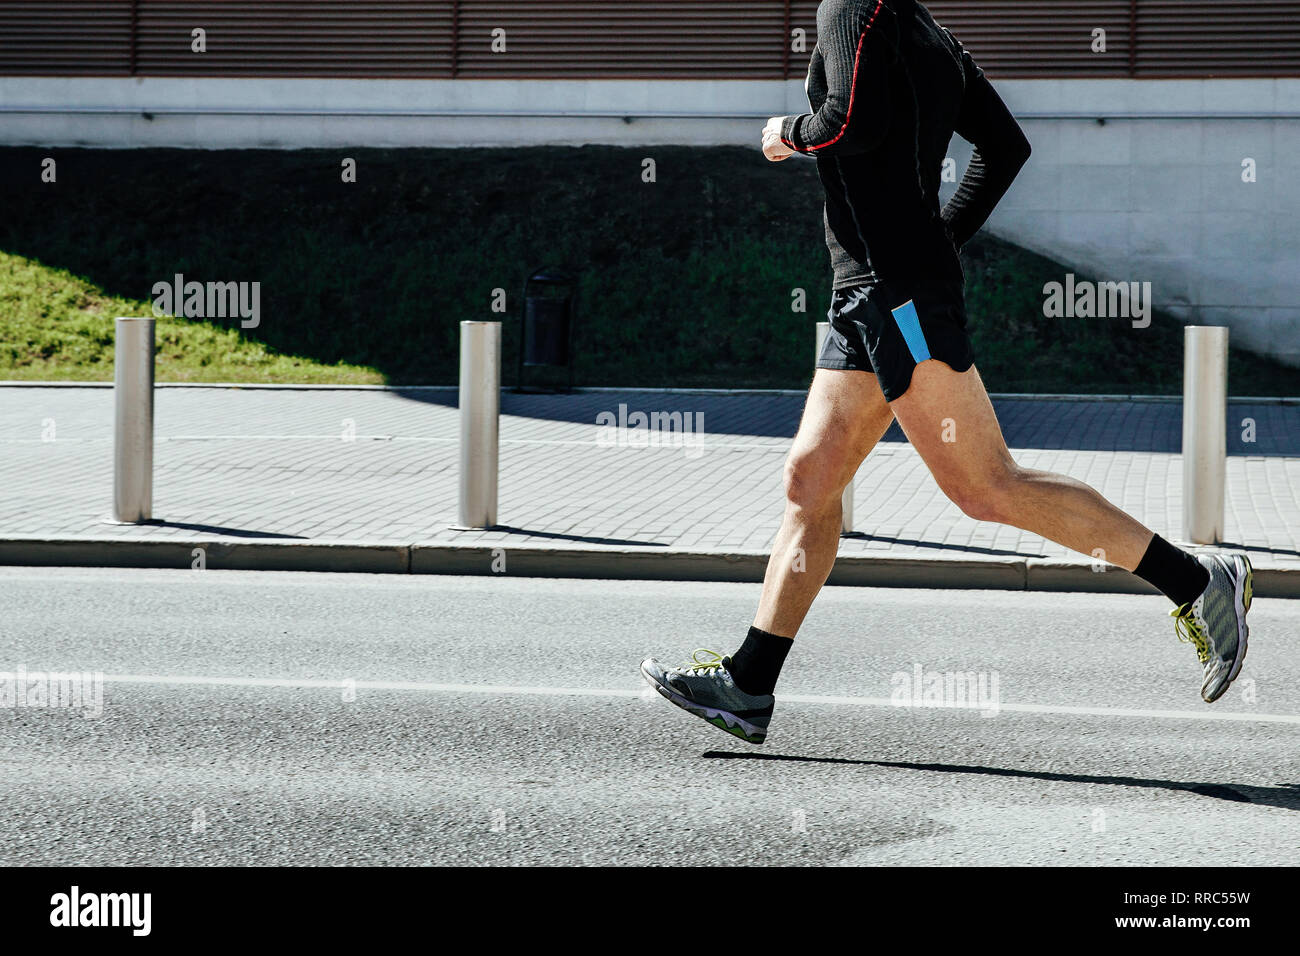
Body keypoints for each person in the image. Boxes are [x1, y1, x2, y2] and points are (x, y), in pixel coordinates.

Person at [639, 0, 1252, 744]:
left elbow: (846, 122)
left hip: (895, 297)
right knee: (811, 480)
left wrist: (784, 135)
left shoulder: (852, 6)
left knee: (986, 485)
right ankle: (749, 684)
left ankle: (1198, 583)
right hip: (870, 294)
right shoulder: (926, 29)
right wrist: (939, 244)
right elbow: (1006, 146)